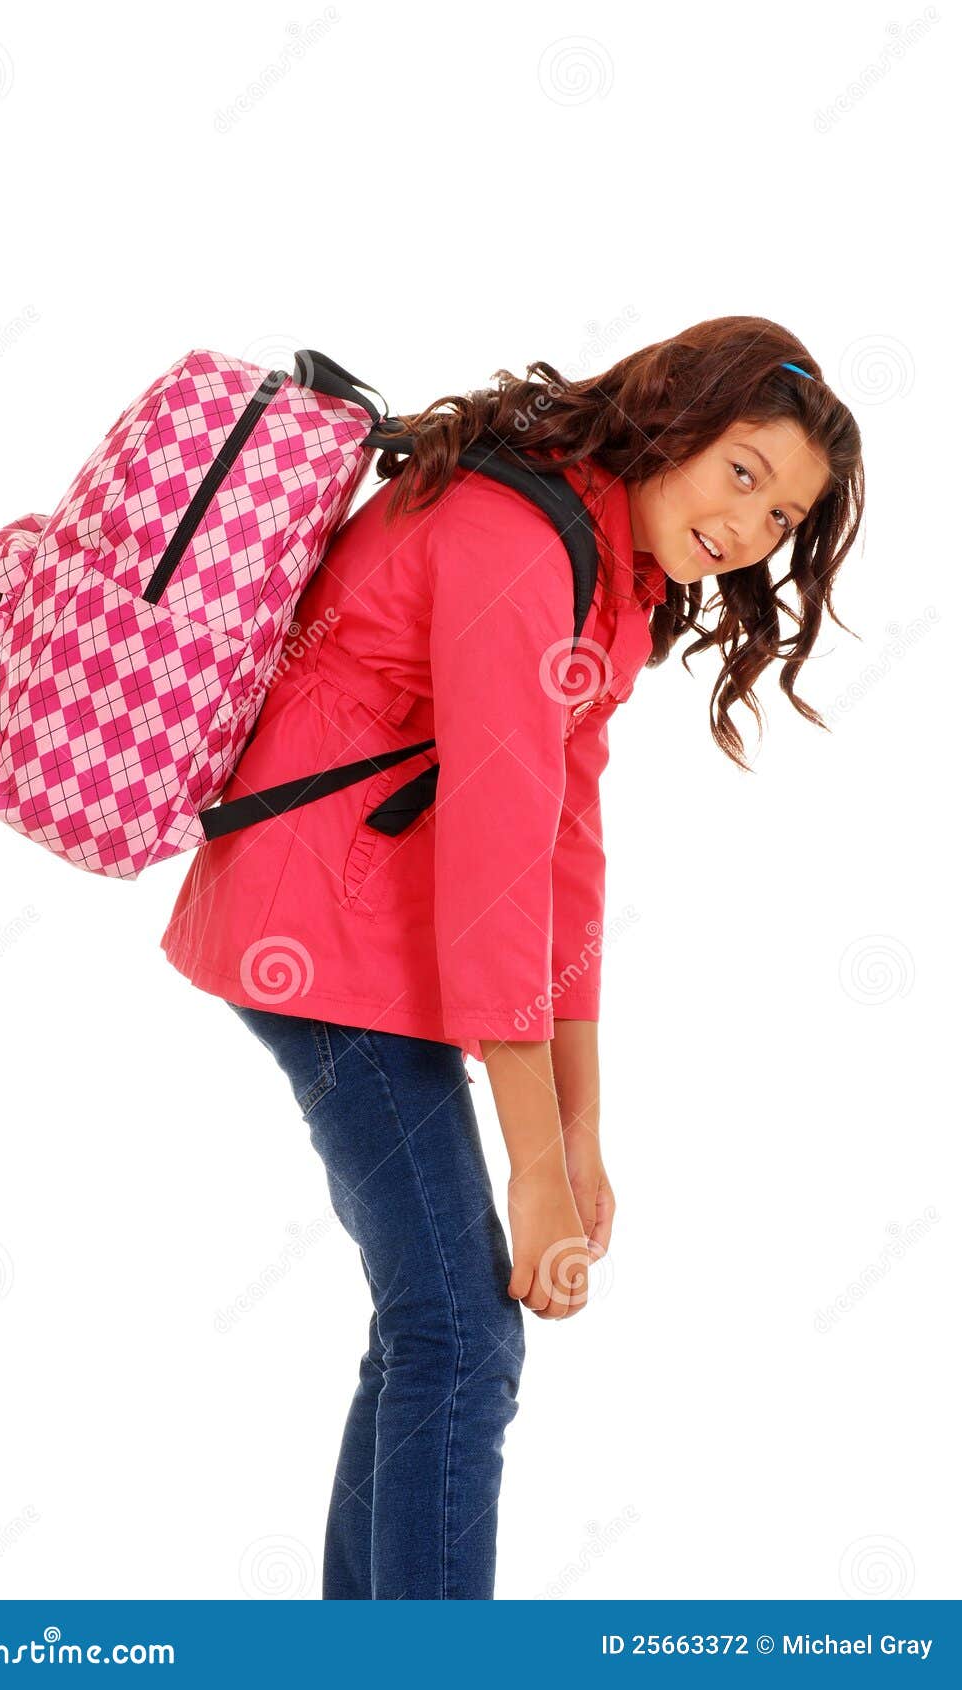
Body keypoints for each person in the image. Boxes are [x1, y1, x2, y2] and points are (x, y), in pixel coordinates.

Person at [159, 313, 865, 1599]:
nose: (751, 526)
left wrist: (581, 1132)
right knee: (460, 1332)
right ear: (675, 420)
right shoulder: (514, 540)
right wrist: (531, 1171)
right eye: (743, 470)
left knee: (433, 1326)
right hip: (315, 931)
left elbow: (564, 849)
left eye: (784, 515)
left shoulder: (610, 573)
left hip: (372, 929)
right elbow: (494, 865)